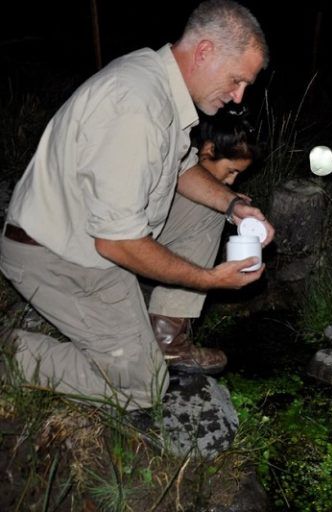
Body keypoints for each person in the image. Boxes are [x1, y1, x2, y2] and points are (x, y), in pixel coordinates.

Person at [0, 0, 273, 411]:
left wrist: (235, 206)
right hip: (61, 257)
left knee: (211, 204)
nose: (238, 98)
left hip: (94, 238)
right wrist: (209, 279)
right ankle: (12, 352)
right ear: (204, 52)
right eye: (237, 81)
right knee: (143, 389)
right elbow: (117, 244)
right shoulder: (135, 105)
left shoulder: (162, 84)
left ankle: (166, 336)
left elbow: (181, 171)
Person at [147, 106, 260, 375]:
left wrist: (230, 202)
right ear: (208, 149)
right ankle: (169, 342)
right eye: (231, 171)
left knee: (220, 205)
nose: (232, 180)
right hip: (118, 239)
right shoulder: (169, 154)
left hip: (142, 234)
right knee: (213, 209)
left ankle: (160, 320)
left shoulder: (179, 151)